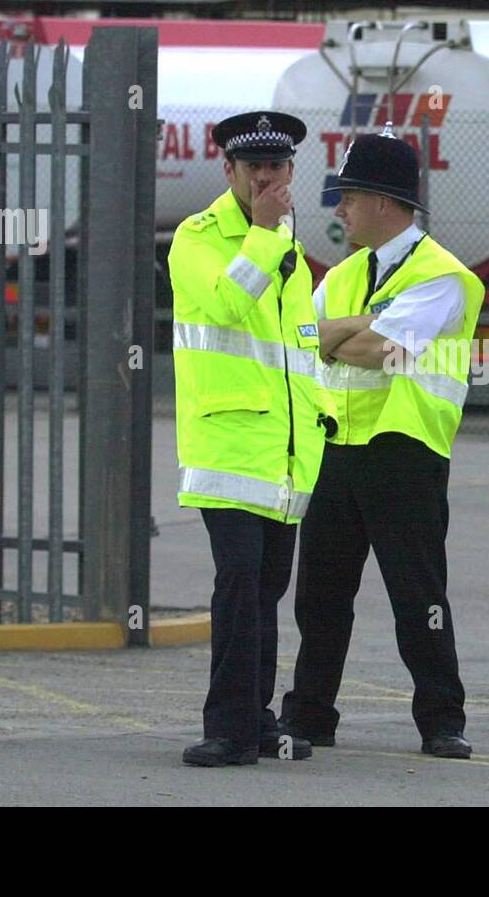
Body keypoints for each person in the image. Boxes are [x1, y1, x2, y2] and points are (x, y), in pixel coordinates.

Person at [278, 127, 485, 759]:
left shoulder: (444, 277)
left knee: (417, 594)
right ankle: (309, 716)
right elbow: (300, 341)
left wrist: (338, 333)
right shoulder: (342, 275)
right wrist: (355, 327)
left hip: (405, 452)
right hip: (336, 448)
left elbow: (384, 352)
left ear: (386, 203)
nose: (338, 210)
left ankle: (442, 719)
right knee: (319, 596)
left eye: (348, 197)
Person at [170, 111, 336, 767]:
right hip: (227, 448)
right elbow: (226, 307)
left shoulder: (289, 249)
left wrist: (321, 416)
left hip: (286, 454)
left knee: (266, 592)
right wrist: (264, 236)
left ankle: (259, 721)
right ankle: (229, 728)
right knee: (238, 583)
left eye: (277, 167)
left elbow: (298, 348)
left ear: (292, 172)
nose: (266, 177)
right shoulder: (200, 237)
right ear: (230, 172)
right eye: (253, 167)